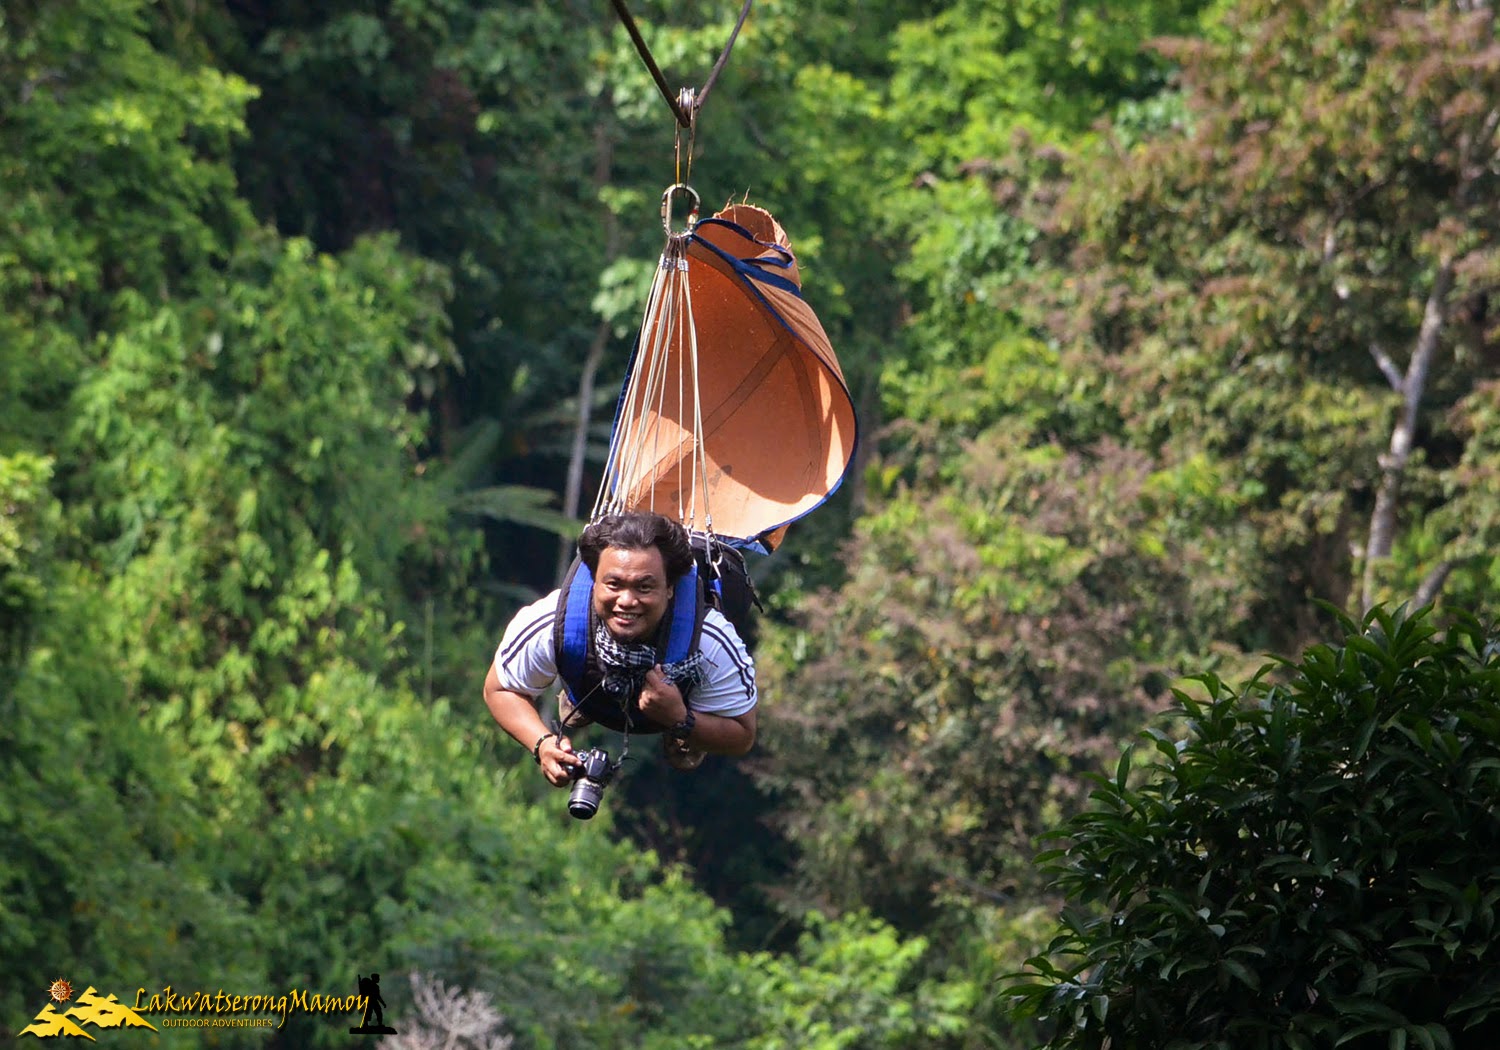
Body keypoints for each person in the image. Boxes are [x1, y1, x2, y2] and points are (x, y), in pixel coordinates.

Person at [483, 511, 757, 785]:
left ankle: (686, 733)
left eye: (644, 587)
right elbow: (500, 688)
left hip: (680, 703)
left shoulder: (710, 641)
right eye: (614, 584)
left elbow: (743, 734)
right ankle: (583, 694)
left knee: (687, 743)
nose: (626, 600)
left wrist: (680, 719)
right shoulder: (554, 622)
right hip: (589, 674)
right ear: (593, 582)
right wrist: (541, 743)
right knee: (579, 665)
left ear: (670, 588)